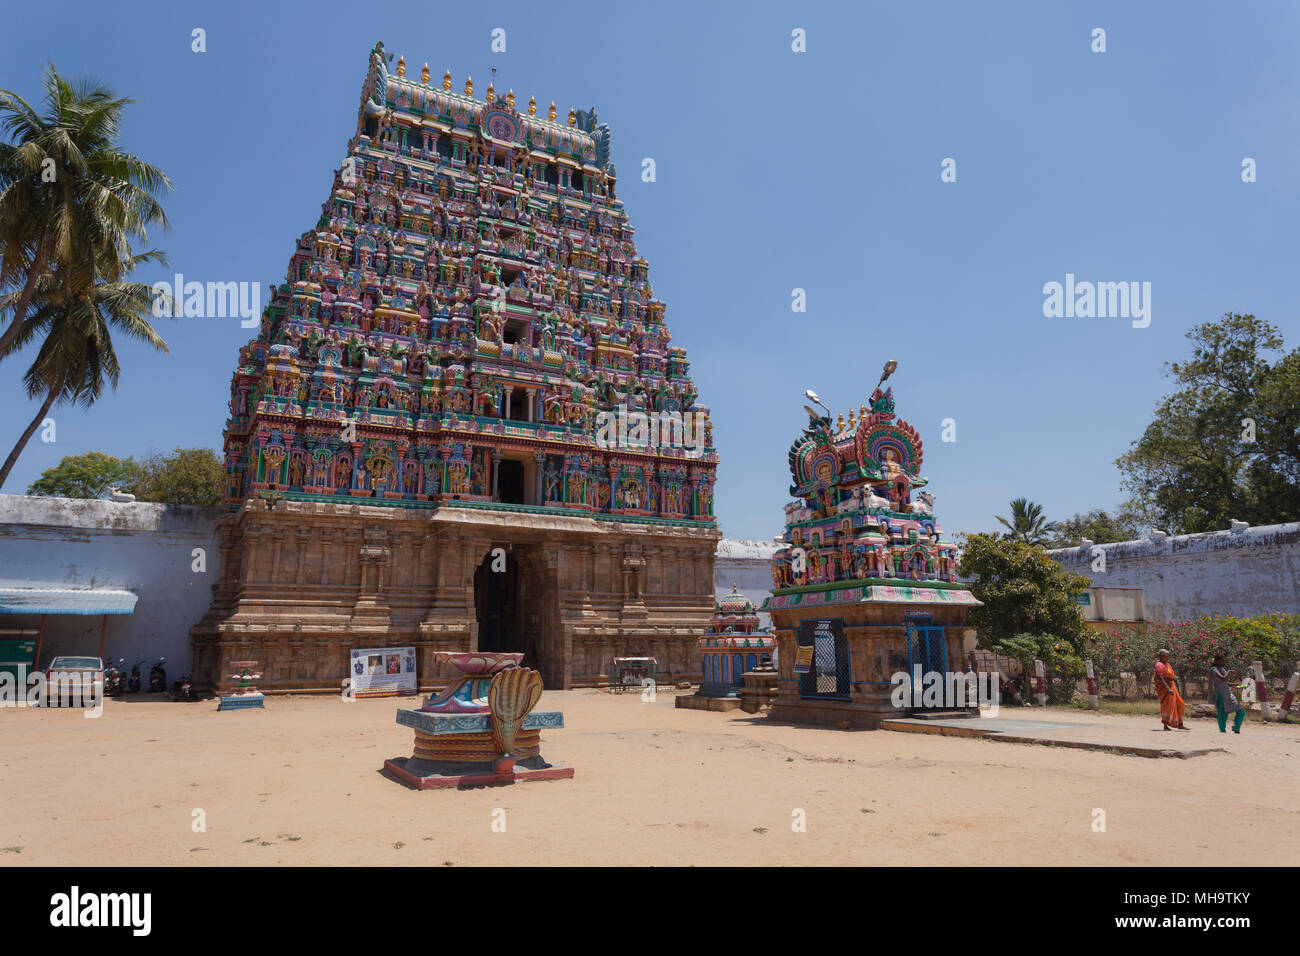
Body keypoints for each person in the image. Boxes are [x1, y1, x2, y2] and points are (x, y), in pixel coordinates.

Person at [1208, 654, 1245, 734]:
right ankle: (1222, 731)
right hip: (1220, 694)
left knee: (1241, 711)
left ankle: (1236, 727)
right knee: (1222, 714)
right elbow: (1223, 678)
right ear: (1216, 661)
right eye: (1222, 660)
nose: (1224, 662)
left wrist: (1234, 685)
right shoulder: (1213, 670)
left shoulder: (1221, 669)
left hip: (1228, 693)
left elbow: (1223, 682)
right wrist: (1229, 672)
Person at [1154, 649, 1187, 730]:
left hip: (1172, 686)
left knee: (1180, 703)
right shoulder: (1159, 665)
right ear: (1161, 656)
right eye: (1166, 656)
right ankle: (1165, 725)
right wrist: (1168, 689)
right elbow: (1160, 678)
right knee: (1168, 705)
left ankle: (1180, 723)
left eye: (1168, 656)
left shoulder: (1167, 664)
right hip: (1165, 688)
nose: (1168, 657)